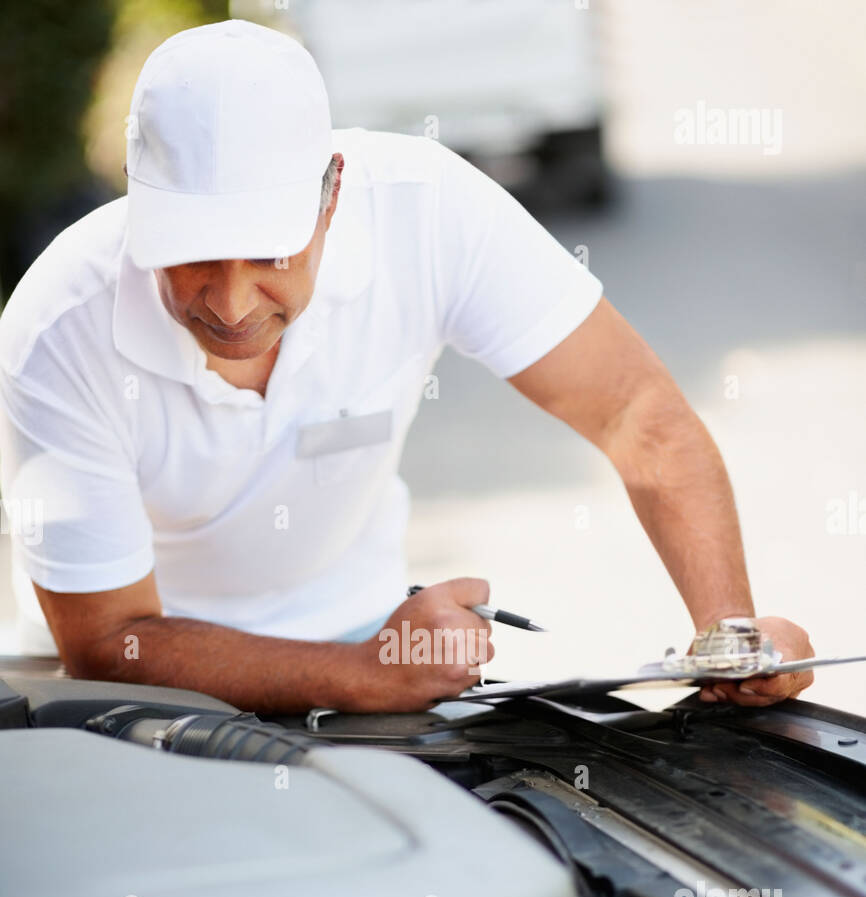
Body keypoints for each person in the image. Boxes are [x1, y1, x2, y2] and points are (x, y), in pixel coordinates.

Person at [0, 19, 813, 714]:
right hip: (123, 699)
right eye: (191, 258)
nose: (234, 302)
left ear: (332, 195)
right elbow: (111, 645)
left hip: (359, 642)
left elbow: (634, 411)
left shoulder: (430, 212)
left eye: (269, 252)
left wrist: (732, 638)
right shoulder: (55, 330)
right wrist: (361, 677)